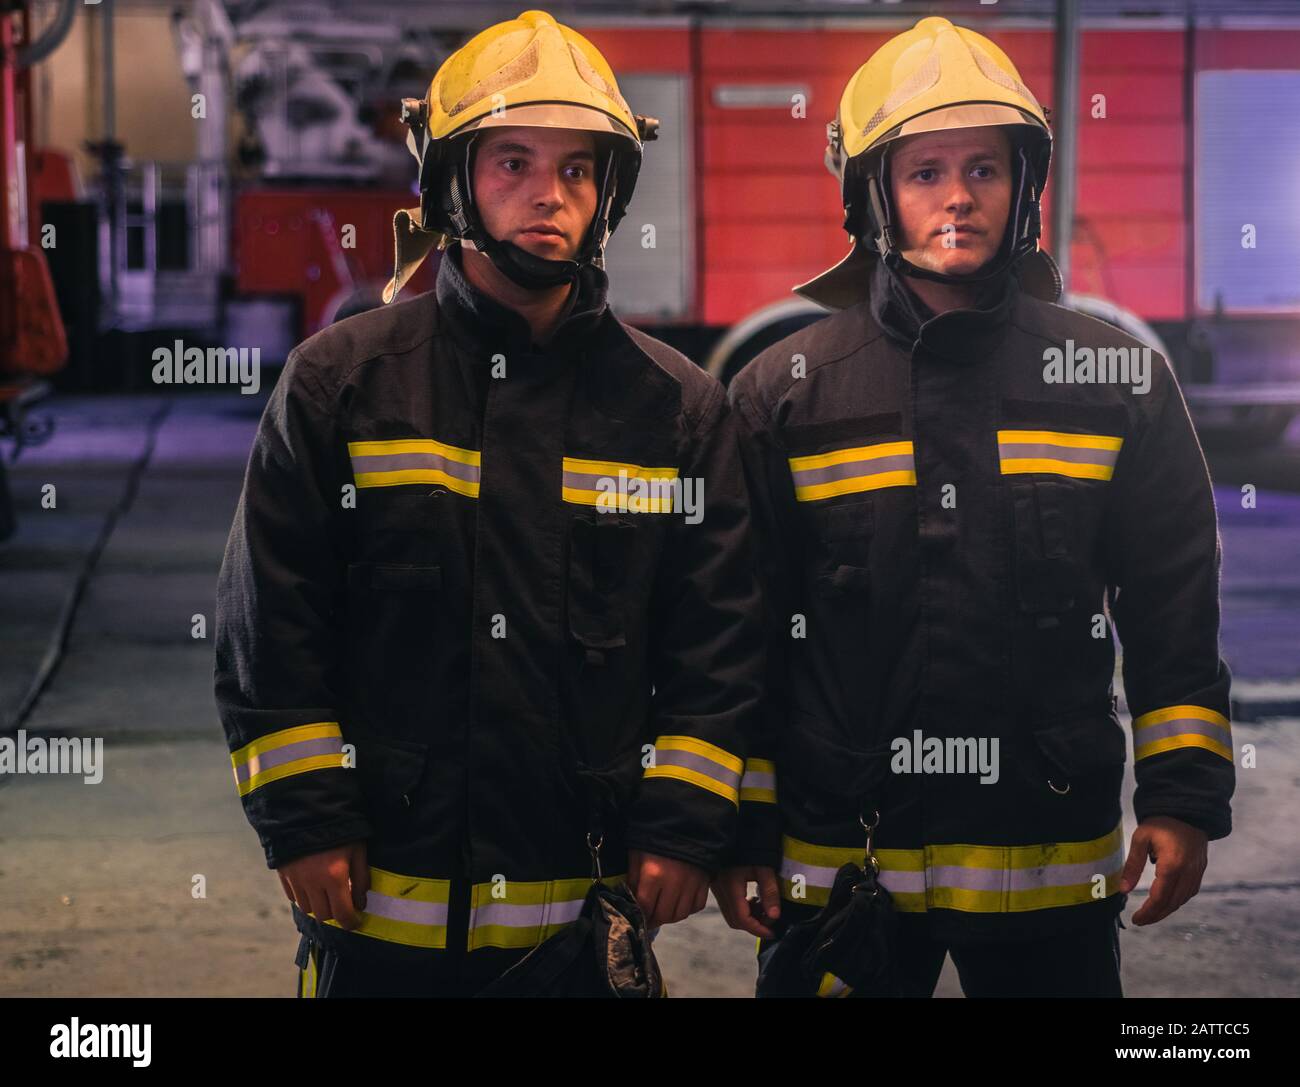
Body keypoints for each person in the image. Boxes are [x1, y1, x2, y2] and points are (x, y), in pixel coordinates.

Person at [215, 9, 764, 997]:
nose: (546, 194)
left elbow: (717, 640)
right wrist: (302, 816)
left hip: (578, 919)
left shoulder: (676, 411)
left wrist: (684, 825)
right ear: (452, 181)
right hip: (377, 903)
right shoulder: (338, 383)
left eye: (576, 169)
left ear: (607, 194)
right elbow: (272, 617)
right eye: (511, 161)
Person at [718, 15, 1235, 998]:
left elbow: (1173, 602)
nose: (957, 196)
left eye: (984, 169)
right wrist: (739, 829)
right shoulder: (783, 393)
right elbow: (735, 632)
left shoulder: (1113, 379)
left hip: (1046, 851)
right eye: (924, 172)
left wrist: (1181, 795)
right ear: (873, 192)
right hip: (838, 863)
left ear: (1024, 185)